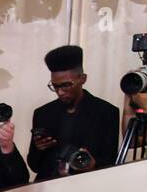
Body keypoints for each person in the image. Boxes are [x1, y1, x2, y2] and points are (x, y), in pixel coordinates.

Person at [28, 45, 120, 181]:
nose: (60, 92)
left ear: (82, 79)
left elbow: (110, 163)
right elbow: (34, 166)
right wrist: (39, 148)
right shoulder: (43, 113)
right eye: (55, 86)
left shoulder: (106, 112)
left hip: (86, 188)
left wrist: (93, 164)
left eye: (66, 85)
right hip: (47, 189)